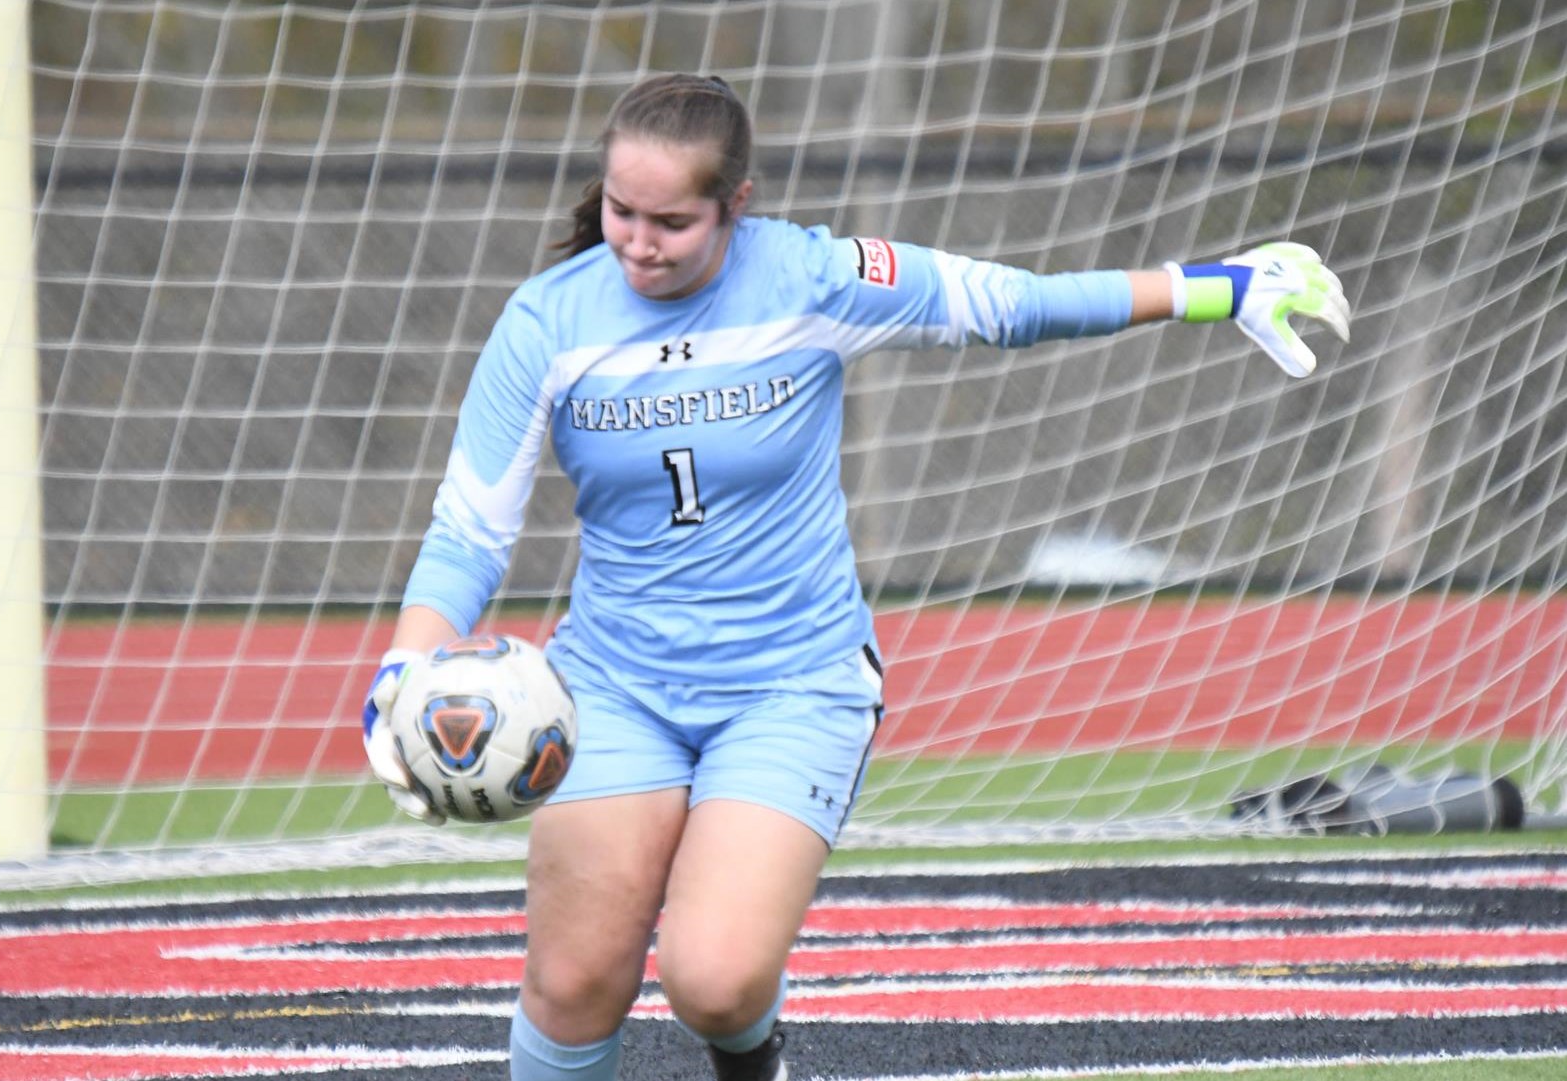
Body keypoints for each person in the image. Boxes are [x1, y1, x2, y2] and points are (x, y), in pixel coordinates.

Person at [360, 73, 1350, 1081]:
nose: (637, 241)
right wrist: (405, 667)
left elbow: (1013, 304)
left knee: (713, 981)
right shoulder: (546, 322)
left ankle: (755, 1058)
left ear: (734, 206)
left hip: (791, 687)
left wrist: (1218, 285)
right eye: (620, 210)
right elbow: (470, 531)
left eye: (670, 220)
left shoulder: (813, 277)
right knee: (573, 982)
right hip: (612, 685)